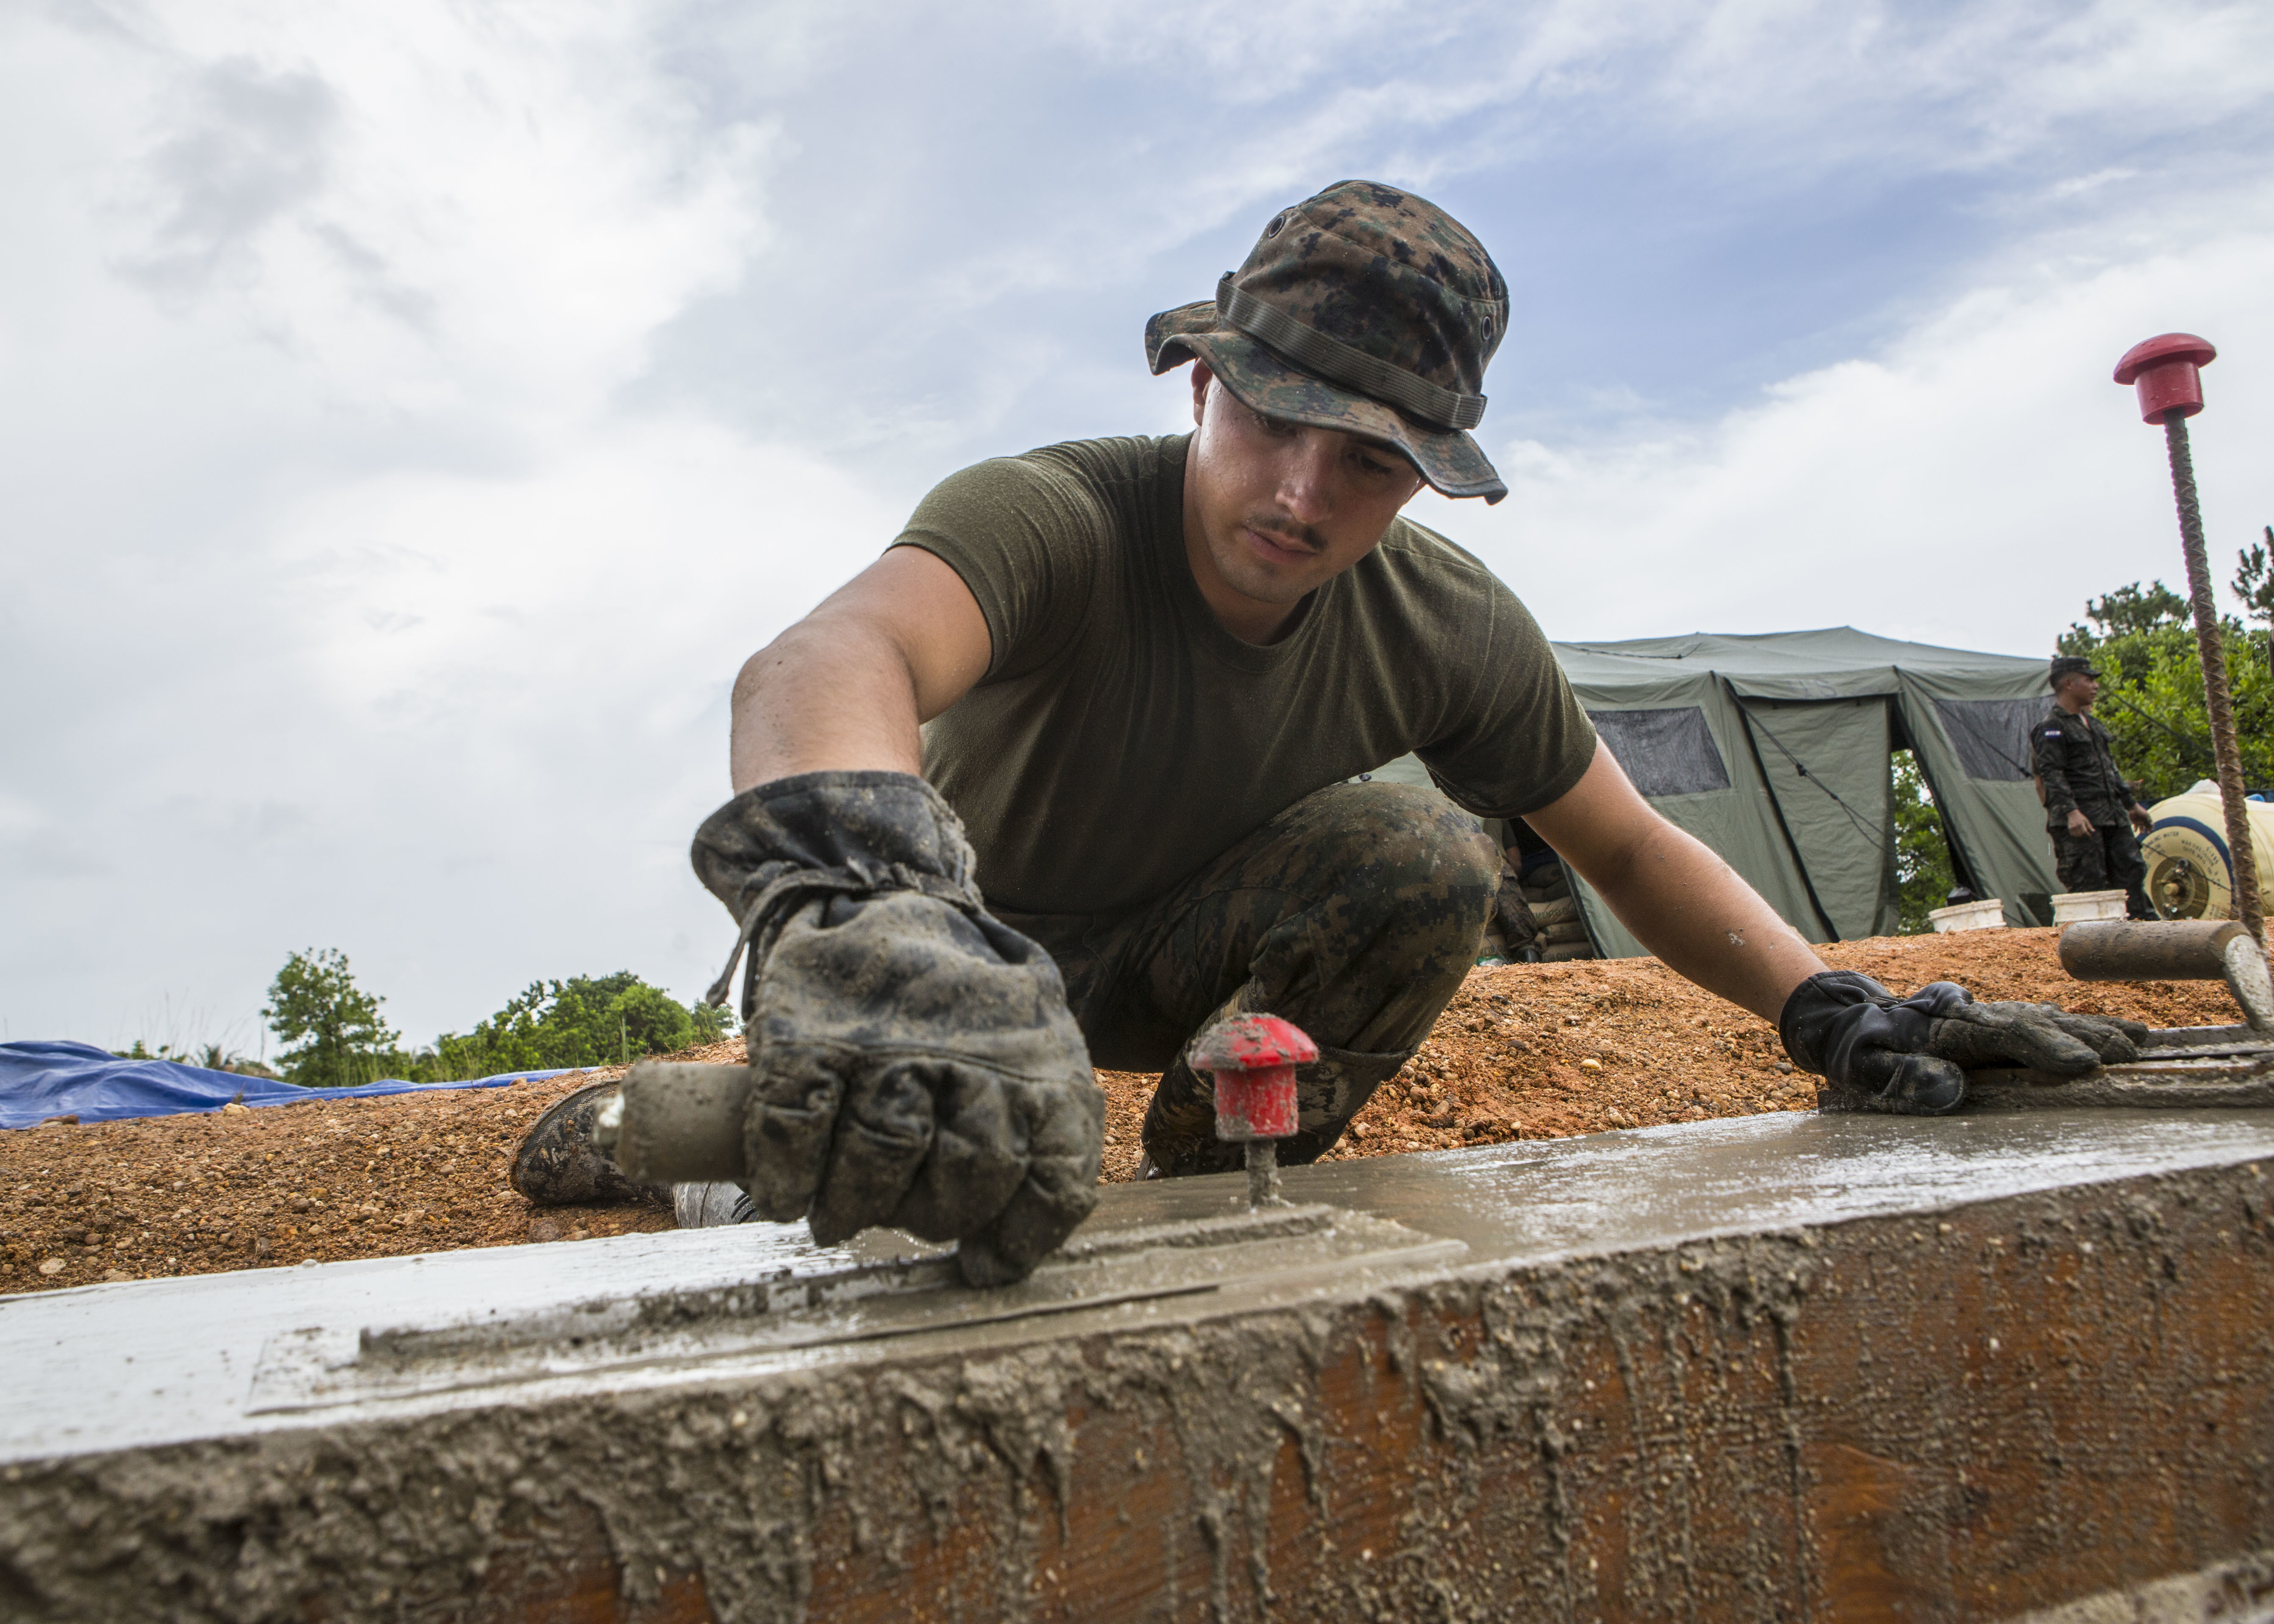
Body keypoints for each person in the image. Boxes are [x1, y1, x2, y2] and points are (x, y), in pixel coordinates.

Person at [512, 181, 2144, 1280]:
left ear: (1425, 479)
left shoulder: (1446, 628)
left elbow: (1632, 848)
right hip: (955, 975)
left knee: (1427, 852)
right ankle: (677, 1142)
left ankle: (1204, 1226)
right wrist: (878, 927)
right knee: (883, 1222)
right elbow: (824, 657)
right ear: (1202, 390)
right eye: (1277, 420)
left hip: (1167, 973)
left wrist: (1834, 1014)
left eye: (1366, 462)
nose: (1300, 493)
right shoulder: (1056, 518)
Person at [2030, 654, 2158, 920]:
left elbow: (2110, 769)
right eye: (2088, 680)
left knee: (2132, 875)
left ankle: (2144, 934)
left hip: (2112, 817)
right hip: (2082, 822)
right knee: (2090, 887)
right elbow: (2052, 774)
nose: (2095, 685)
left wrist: (2131, 806)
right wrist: (2071, 813)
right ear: (2069, 684)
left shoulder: (2094, 725)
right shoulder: (2052, 727)